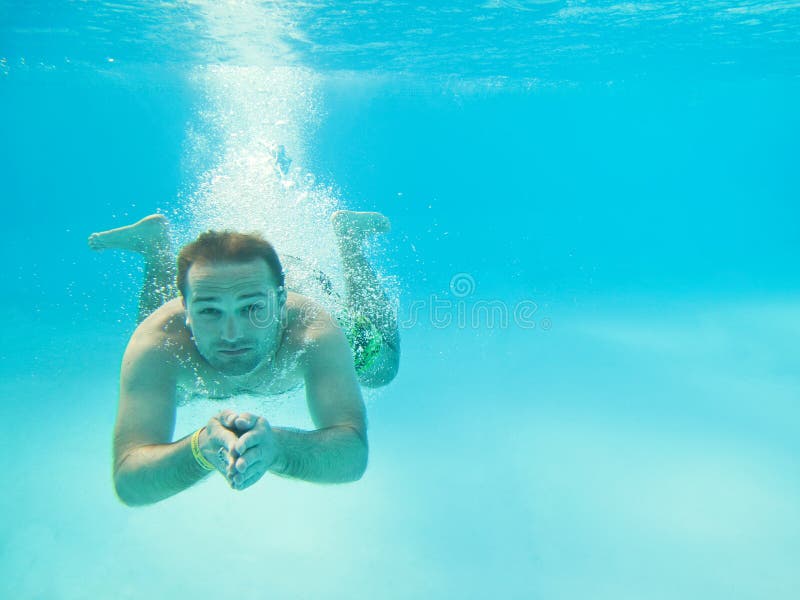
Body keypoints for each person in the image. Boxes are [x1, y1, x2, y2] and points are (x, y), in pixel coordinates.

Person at [87, 210, 399, 506]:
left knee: (381, 368)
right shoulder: (157, 343)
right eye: (209, 311)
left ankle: (350, 241)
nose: (232, 333)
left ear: (279, 302)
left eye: (252, 309)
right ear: (186, 310)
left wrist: (278, 449)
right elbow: (129, 482)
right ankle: (155, 247)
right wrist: (198, 449)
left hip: (304, 290)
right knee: (170, 375)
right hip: (220, 298)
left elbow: (352, 455)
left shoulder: (314, 333)